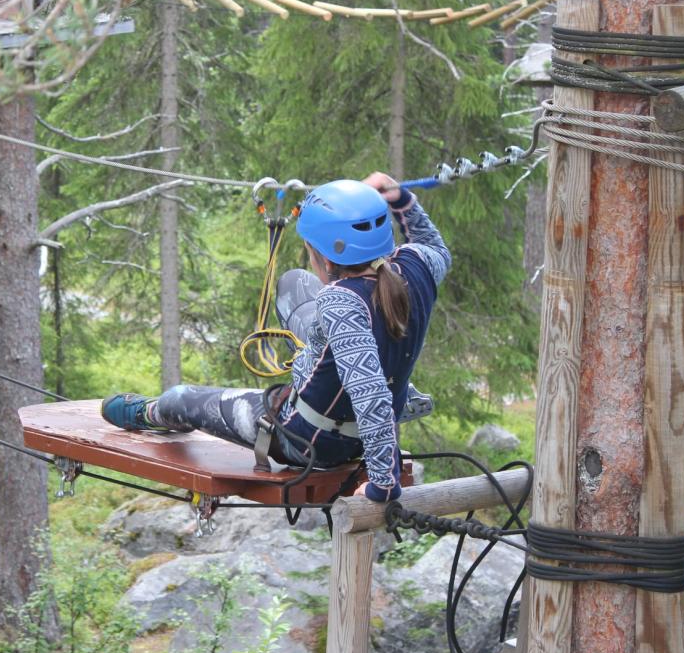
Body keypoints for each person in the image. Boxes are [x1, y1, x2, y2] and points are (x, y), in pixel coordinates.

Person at [101, 172, 451, 503]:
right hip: (366, 395)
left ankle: (147, 412)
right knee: (293, 284)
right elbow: (433, 245)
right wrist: (402, 200)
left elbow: (369, 390)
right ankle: (320, 356)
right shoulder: (417, 264)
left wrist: (383, 482)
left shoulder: (341, 301)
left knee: (180, 398)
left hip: (314, 438)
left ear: (327, 260)